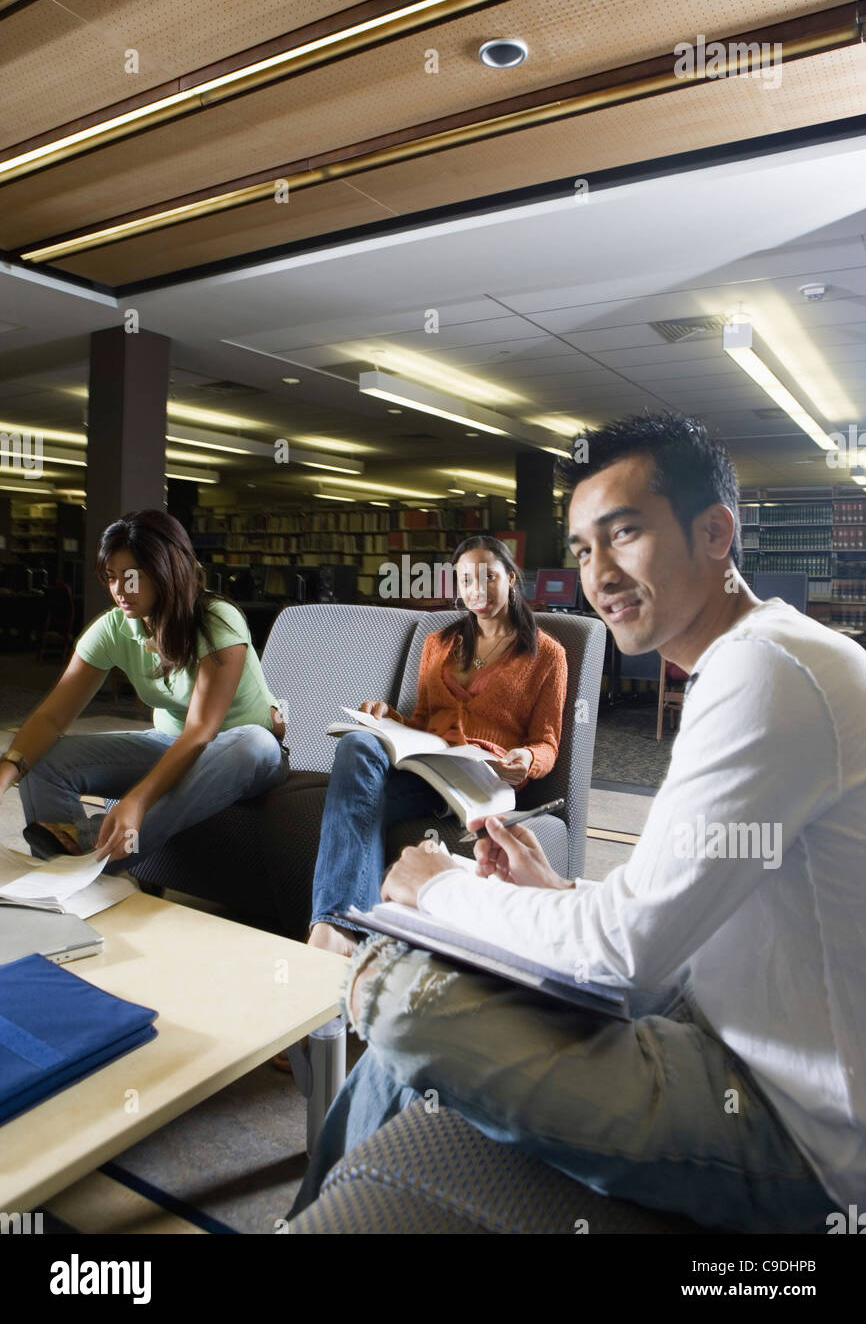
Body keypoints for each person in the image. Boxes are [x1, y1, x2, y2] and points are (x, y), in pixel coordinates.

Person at [293, 413, 866, 1234]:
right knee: (418, 1012)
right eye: (583, 548)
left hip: (799, 1136)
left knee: (395, 983)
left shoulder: (765, 673)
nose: (599, 574)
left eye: (623, 534)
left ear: (715, 532)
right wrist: (559, 888)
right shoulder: (766, 657)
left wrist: (441, 886)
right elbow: (698, 908)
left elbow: (623, 958)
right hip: (723, 1020)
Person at [307, 535, 568, 957]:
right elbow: (421, 723)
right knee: (358, 743)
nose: (477, 589)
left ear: (512, 578)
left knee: (356, 804)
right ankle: (342, 930)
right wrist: (388, 718)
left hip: (482, 781)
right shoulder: (439, 644)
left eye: (488, 576)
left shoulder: (546, 655)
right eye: (466, 579)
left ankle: (340, 931)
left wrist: (527, 759)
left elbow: (547, 743)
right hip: (428, 770)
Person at [0, 509, 289, 869]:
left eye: (131, 577)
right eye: (111, 577)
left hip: (242, 757)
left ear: (167, 571)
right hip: (167, 745)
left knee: (254, 741)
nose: (119, 590)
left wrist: (136, 800)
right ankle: (69, 870)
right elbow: (50, 717)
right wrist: (7, 770)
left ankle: (83, 857)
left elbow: (201, 733)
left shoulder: (217, 620)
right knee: (42, 760)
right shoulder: (114, 628)